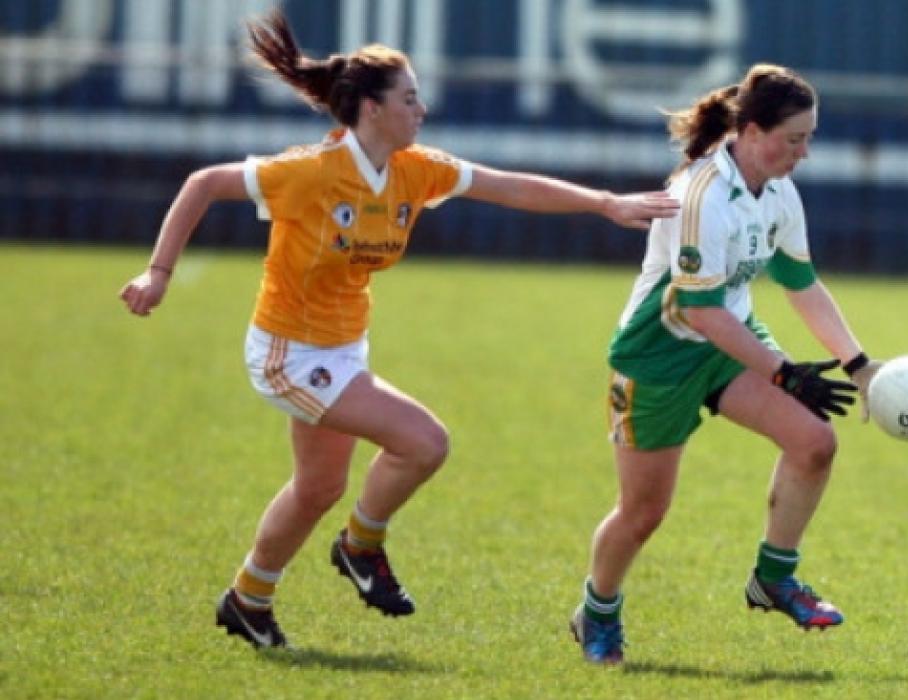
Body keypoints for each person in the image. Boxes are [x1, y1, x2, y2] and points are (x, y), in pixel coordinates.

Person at [118, 10, 678, 650]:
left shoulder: (414, 167)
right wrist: (159, 272)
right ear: (370, 109)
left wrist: (605, 203)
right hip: (287, 353)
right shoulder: (310, 172)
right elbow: (203, 183)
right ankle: (361, 546)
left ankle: (249, 598)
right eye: (409, 97)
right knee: (424, 442)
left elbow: (509, 187)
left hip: (341, 347)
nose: (422, 108)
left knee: (318, 486)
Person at [568, 63, 882, 665]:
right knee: (643, 514)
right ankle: (598, 610)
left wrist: (859, 363)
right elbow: (700, 311)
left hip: (727, 343)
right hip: (658, 356)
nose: (805, 152)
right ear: (755, 131)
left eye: (810, 138)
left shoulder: (780, 190)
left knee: (815, 442)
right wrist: (784, 372)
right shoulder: (702, 194)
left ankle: (774, 579)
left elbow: (802, 284)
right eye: (796, 139)